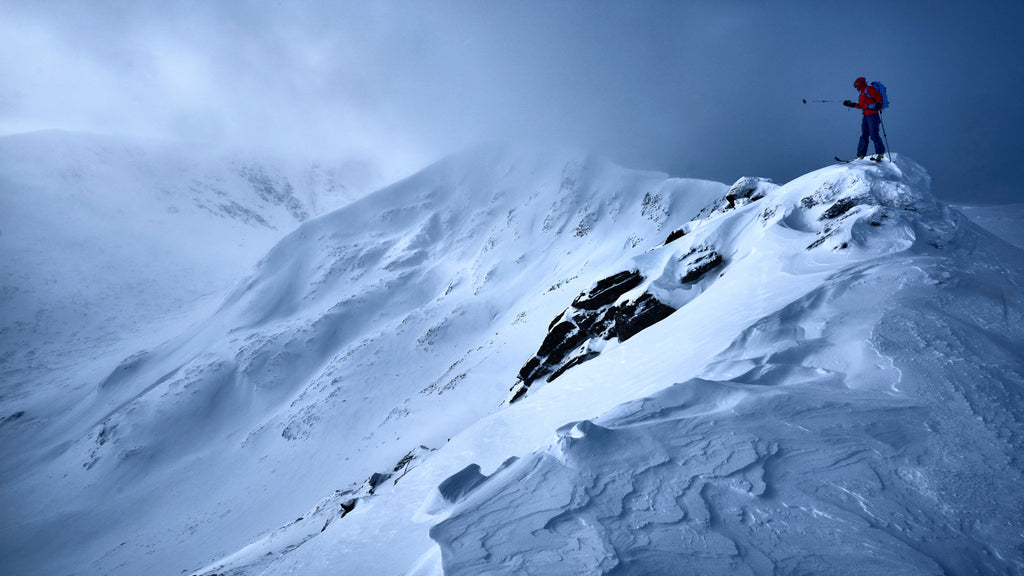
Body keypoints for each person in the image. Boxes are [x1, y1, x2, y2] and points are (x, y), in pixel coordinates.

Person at [844, 77, 885, 160]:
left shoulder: (869, 89)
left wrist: (879, 103)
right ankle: (860, 155)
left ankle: (880, 153)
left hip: (873, 115)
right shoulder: (862, 94)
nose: (856, 88)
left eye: (856, 86)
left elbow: (878, 96)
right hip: (866, 116)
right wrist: (851, 104)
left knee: (874, 134)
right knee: (864, 135)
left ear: (860, 84)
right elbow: (862, 106)